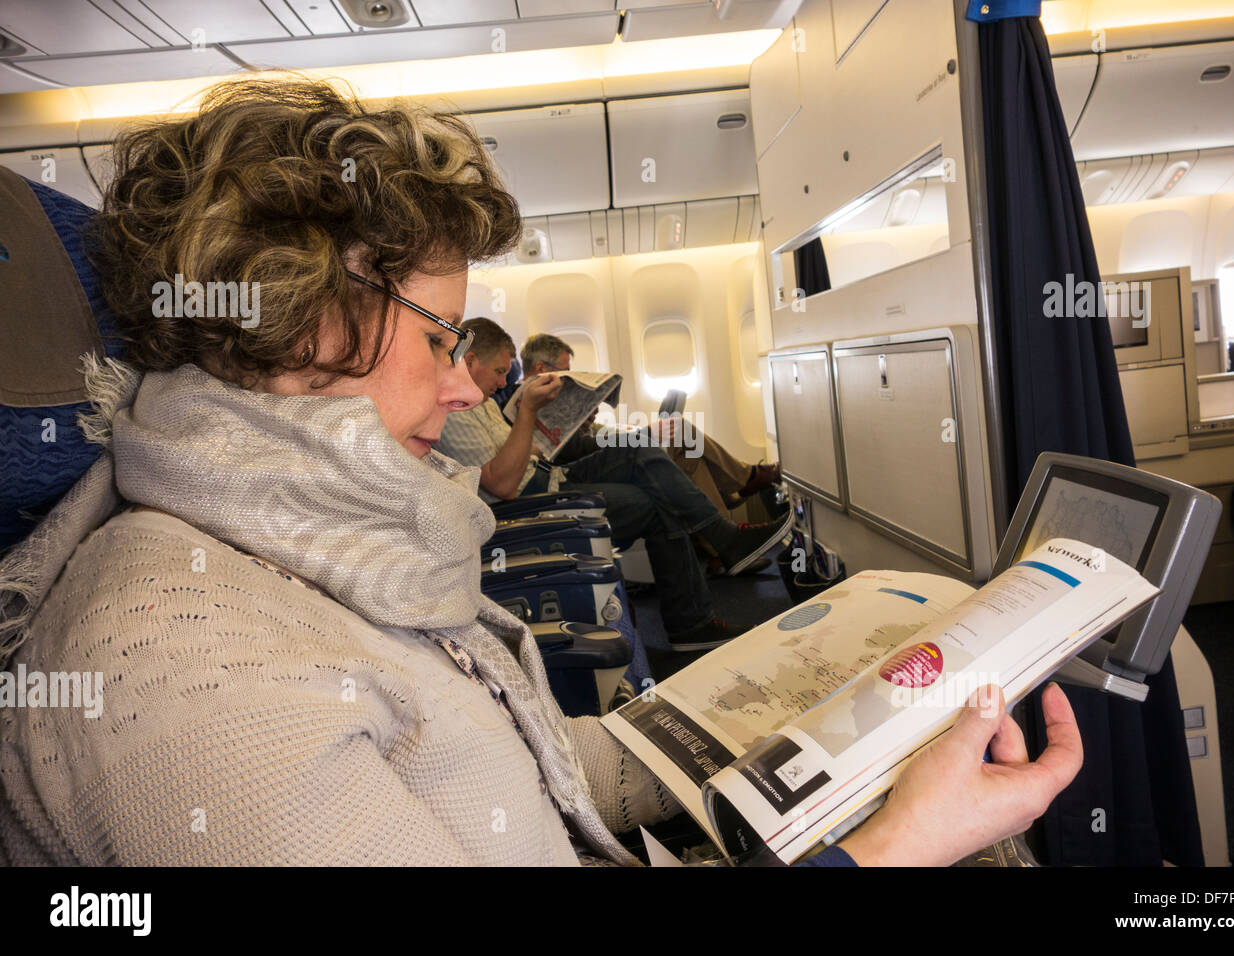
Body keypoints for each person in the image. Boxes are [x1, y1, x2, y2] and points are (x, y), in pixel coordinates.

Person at [0, 78, 1083, 867]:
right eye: (437, 336)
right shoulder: (186, 677)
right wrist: (899, 846)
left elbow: (514, 761)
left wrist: (818, 713)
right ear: (312, 318)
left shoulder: (324, 544)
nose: (466, 386)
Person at [437, 317, 791, 648]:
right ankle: (699, 602)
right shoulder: (457, 410)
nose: (503, 381)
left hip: (549, 475)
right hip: (531, 500)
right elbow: (503, 485)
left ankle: (719, 551)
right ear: (469, 363)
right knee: (657, 498)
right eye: (499, 371)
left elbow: (529, 454)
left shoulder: (482, 401)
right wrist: (529, 413)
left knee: (641, 448)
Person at [518, 333, 781, 515]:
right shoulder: (528, 404)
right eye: (564, 370)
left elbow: (597, 435)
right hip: (582, 467)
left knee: (683, 443)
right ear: (541, 367)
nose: (566, 378)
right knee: (681, 436)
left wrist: (629, 431)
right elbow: (578, 449)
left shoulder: (553, 397)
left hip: (602, 448)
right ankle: (744, 481)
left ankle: (719, 539)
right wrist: (643, 434)